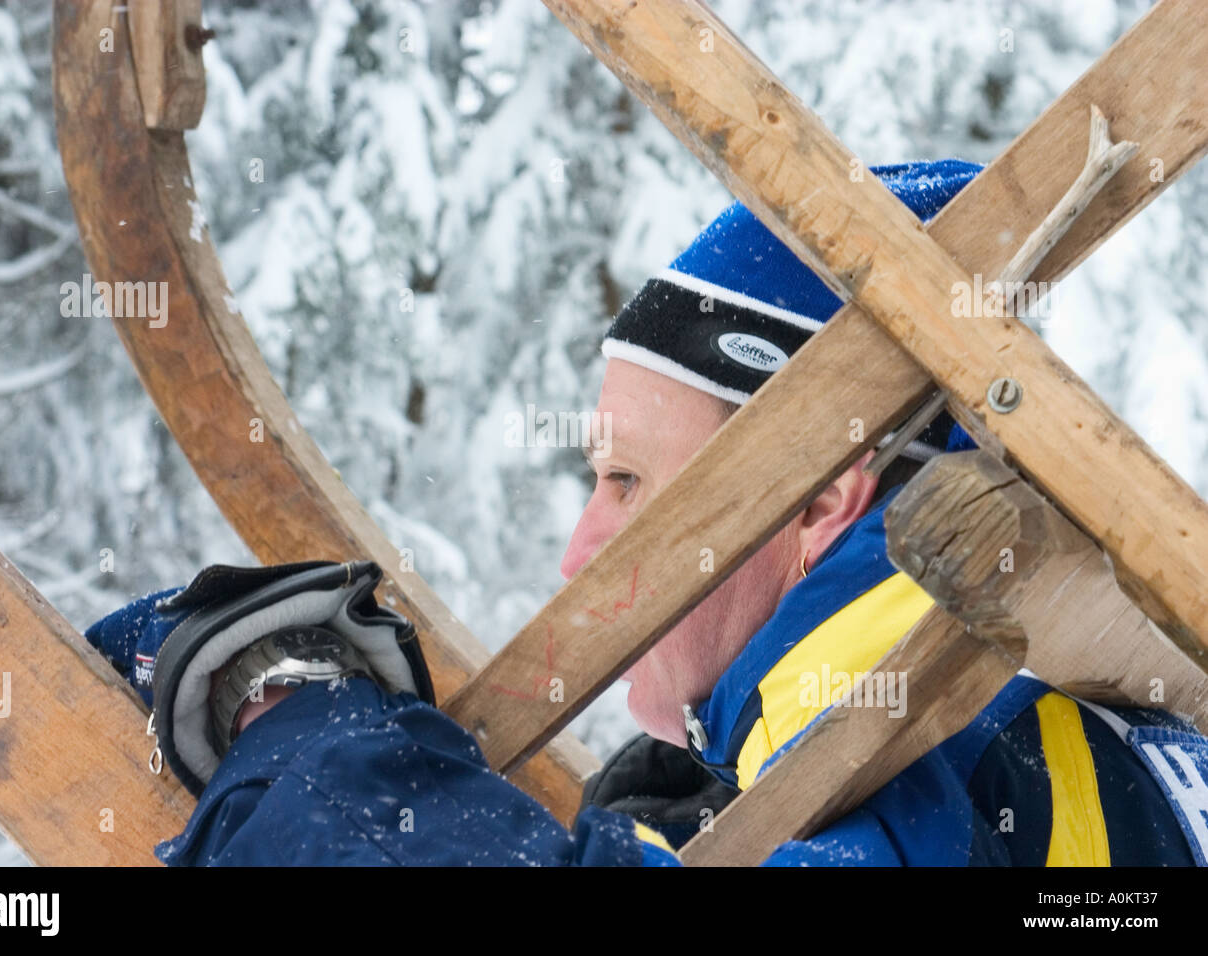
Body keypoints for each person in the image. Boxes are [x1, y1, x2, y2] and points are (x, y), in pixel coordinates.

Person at [85, 160, 1208, 866]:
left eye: (626, 482)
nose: (580, 549)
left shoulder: (943, 736)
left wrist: (317, 766)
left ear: (821, 496)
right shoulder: (1062, 726)